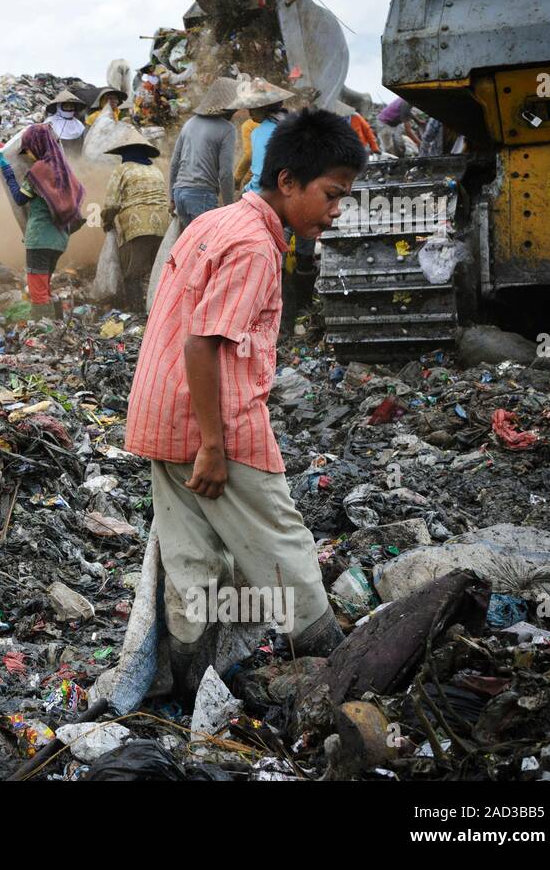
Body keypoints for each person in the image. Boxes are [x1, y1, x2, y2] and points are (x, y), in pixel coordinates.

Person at [124, 108, 367, 696]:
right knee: (284, 551)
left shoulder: (211, 221)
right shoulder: (255, 247)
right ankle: (347, 683)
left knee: (191, 564)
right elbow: (202, 342)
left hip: (160, 414)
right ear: (287, 181)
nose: (337, 211)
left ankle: (187, 692)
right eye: (332, 196)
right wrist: (213, 446)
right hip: (217, 428)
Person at [0, 122, 86, 320]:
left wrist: (8, 173)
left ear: (36, 145)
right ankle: (57, 326)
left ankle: (44, 334)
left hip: (39, 239)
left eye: (27, 149)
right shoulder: (63, 169)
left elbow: (20, 199)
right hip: (59, 239)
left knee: (38, 291)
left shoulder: (39, 170)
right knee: (45, 285)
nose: (27, 154)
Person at [102, 126, 168, 314]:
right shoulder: (156, 170)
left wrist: (106, 222)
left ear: (124, 153)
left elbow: (111, 203)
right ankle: (159, 309)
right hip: (163, 224)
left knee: (133, 275)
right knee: (157, 271)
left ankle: (136, 314)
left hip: (138, 226)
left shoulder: (122, 169)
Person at [168, 76, 238, 232]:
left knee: (192, 246)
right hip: (201, 195)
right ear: (230, 107)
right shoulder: (228, 129)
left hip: (180, 194)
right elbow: (226, 173)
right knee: (207, 246)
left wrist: (171, 198)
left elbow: (174, 163)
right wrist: (229, 207)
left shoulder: (189, 123)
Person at [234, 75, 295, 195]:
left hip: (271, 194)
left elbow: (260, 175)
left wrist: (246, 191)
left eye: (253, 108)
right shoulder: (291, 123)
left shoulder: (260, 132)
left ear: (264, 108)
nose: (250, 113)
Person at [44, 89, 89, 158]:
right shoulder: (51, 122)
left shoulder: (78, 123)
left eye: (71, 106)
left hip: (76, 157)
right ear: (59, 107)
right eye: (66, 106)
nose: (69, 109)